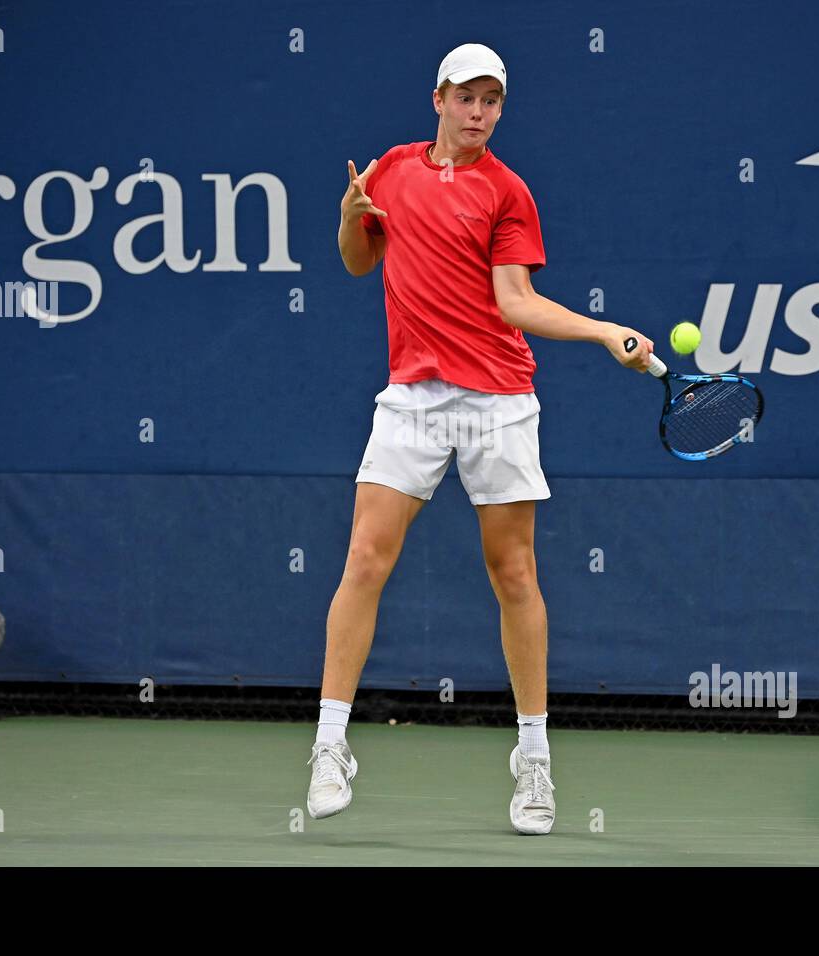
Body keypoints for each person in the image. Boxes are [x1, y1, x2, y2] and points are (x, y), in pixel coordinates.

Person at [308, 42, 654, 835]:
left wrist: (602, 332)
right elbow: (360, 262)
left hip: (498, 399)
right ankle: (330, 746)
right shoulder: (391, 170)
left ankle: (533, 757)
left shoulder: (509, 192)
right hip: (412, 398)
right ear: (438, 98)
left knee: (515, 573)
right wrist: (348, 218)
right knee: (365, 558)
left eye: (492, 100)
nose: (478, 113)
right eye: (466, 97)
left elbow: (515, 303)